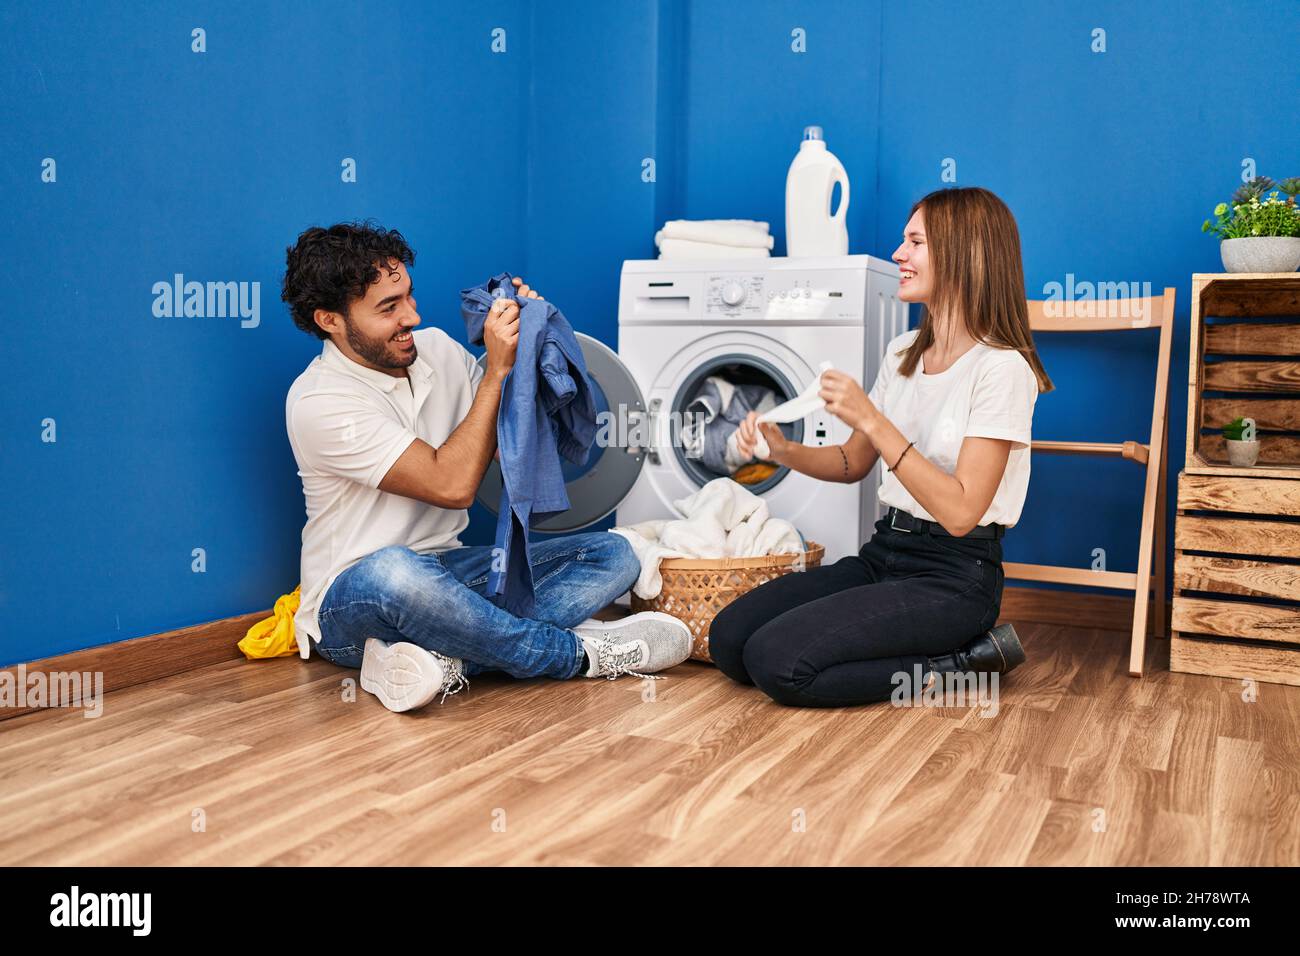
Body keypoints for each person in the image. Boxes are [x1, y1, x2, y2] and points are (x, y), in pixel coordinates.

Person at [281, 221, 691, 713]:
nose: (411, 316)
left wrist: (527, 345)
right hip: (353, 599)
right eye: (387, 309)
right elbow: (451, 484)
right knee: (395, 570)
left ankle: (440, 658)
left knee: (616, 555)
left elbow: (503, 445)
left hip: (449, 573)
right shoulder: (319, 401)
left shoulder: (435, 351)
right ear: (329, 320)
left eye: (408, 296)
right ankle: (575, 655)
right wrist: (493, 372)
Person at [710, 187, 1053, 708]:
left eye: (915, 242)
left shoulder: (1002, 369)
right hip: (885, 553)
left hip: (955, 576)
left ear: (965, 254)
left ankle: (960, 665)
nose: (899, 254)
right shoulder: (902, 355)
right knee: (729, 641)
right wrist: (781, 450)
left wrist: (872, 417)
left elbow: (962, 513)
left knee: (779, 664)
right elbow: (852, 462)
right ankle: (926, 654)